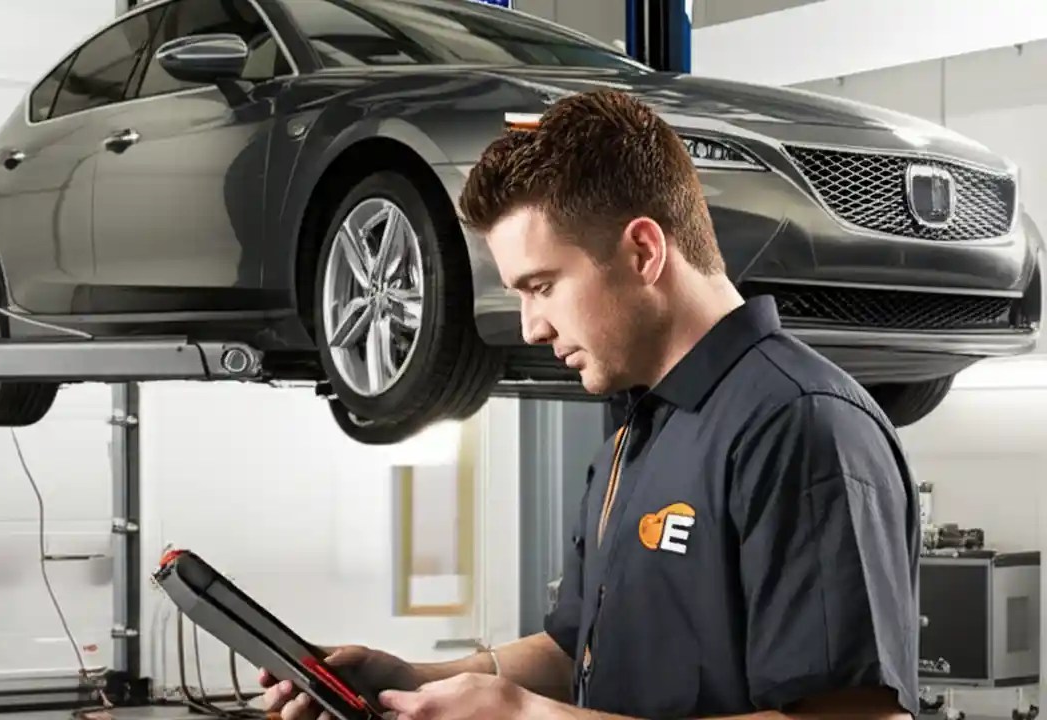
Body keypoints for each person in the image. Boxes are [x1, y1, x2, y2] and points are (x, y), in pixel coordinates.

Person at [260, 88, 920, 720]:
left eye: (541, 286)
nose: (530, 327)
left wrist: (528, 719)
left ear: (643, 250)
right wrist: (413, 679)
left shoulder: (801, 426)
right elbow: (574, 647)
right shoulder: (634, 437)